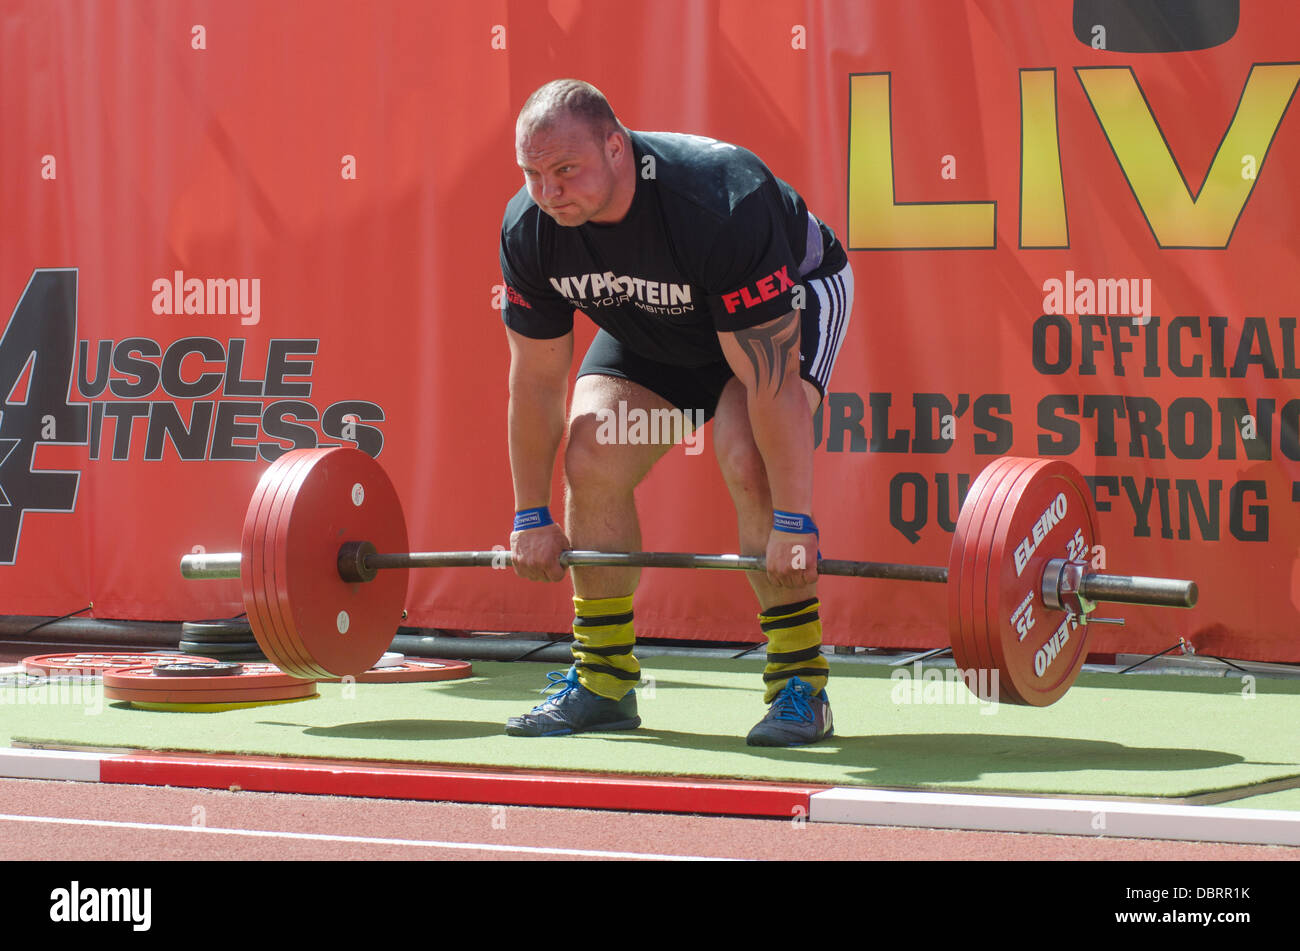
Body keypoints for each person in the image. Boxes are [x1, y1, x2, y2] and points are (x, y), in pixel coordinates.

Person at [498, 79, 853, 746]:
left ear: (616, 146)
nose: (549, 192)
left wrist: (794, 522)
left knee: (747, 452)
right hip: (656, 327)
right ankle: (604, 682)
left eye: (566, 170)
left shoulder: (719, 200)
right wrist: (529, 513)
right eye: (533, 173)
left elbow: (771, 382)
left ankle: (800, 684)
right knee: (592, 452)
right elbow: (538, 384)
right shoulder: (532, 230)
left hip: (785, 306)